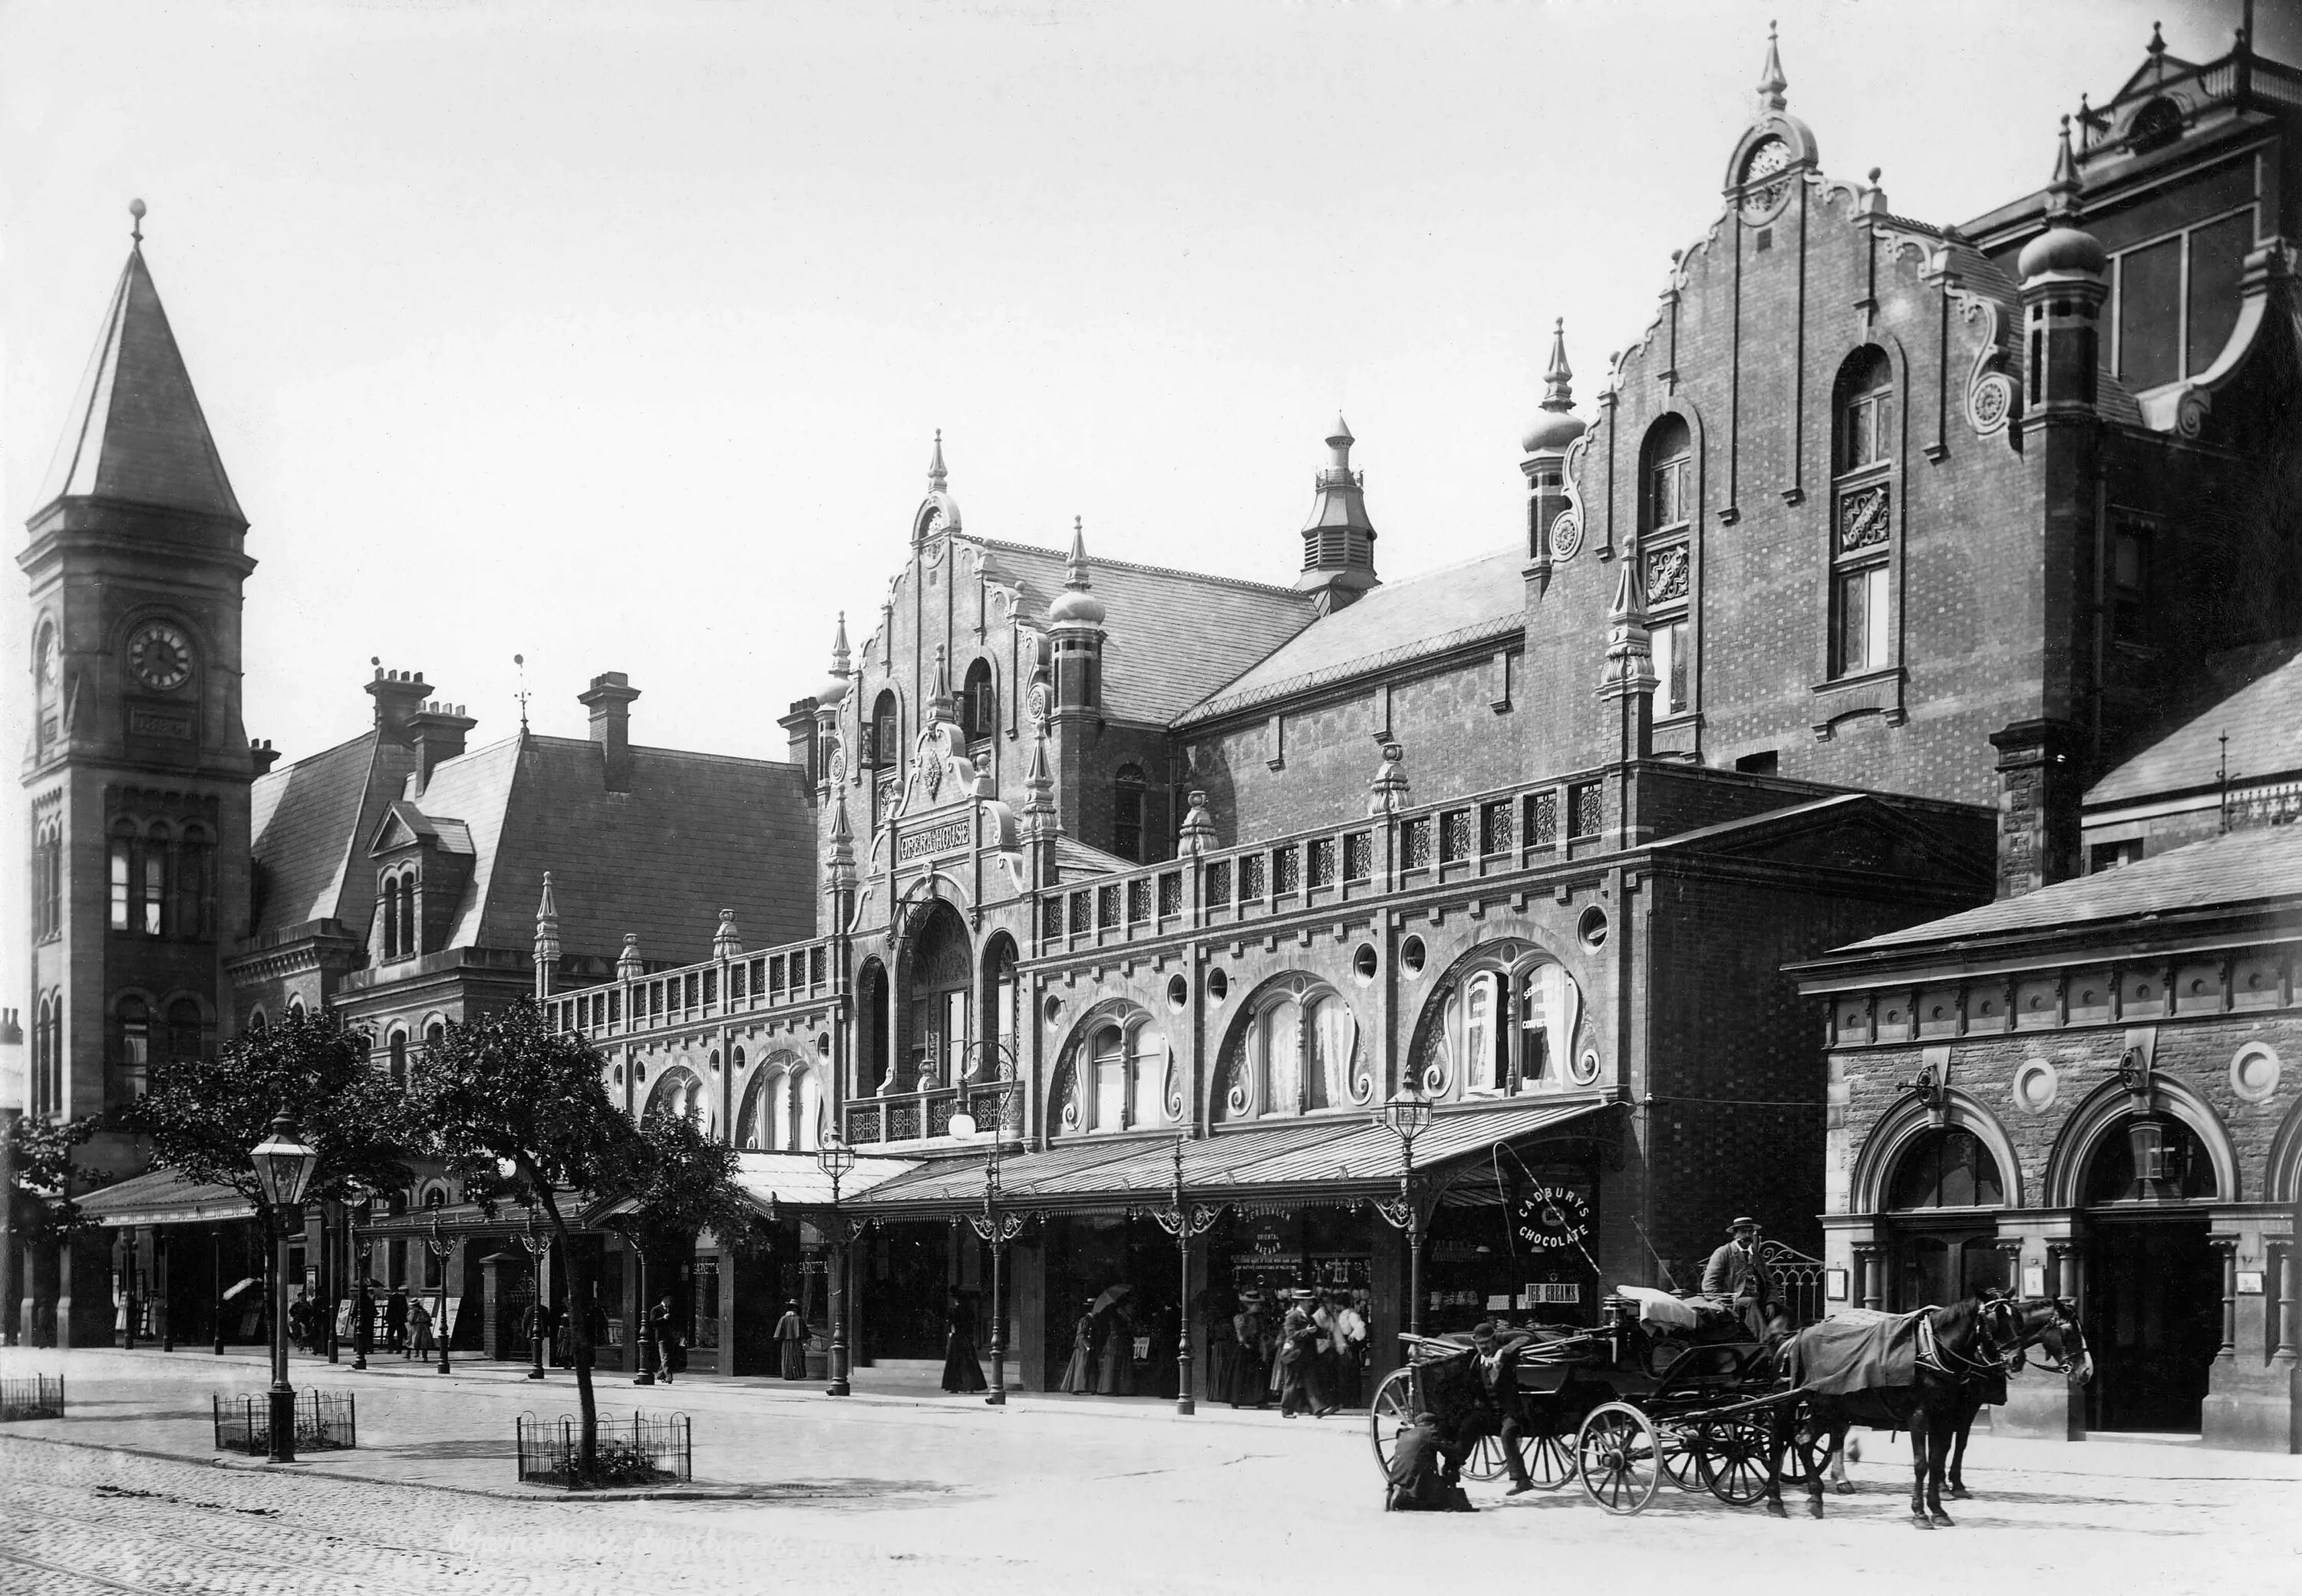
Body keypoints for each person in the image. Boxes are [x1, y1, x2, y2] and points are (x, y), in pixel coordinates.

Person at [1470, 1318, 1539, 1495]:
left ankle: (1522, 1480)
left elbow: (1526, 1338)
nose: (1483, 1347)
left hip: (1512, 1412)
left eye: (1486, 1343)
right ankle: (1452, 1468)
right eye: (1480, 1344)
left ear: (1494, 1340)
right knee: (1468, 1426)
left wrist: (1505, 1351)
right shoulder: (1477, 1362)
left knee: (1507, 1434)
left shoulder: (1506, 1356)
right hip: (1492, 1413)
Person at [1701, 1216, 1777, 1340]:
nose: (1747, 1235)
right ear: (1735, 1234)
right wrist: (1722, 1302)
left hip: (1758, 1301)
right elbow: (1709, 1284)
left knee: (1785, 1311)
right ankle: (1766, 1344)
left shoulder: (1756, 1256)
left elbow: (1770, 1283)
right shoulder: (1723, 1253)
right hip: (1734, 1301)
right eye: (1743, 1232)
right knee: (1750, 1303)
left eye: (1750, 1232)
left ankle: (1786, 1346)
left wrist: (1771, 1302)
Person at [1385, 1411, 1474, 1512]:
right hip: (1417, 1485)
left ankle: (1398, 1492)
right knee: (1448, 1502)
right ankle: (1405, 1496)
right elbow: (1453, 1452)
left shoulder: (1404, 1434)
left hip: (1397, 1480)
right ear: (1433, 1424)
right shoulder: (1431, 1433)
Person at [1277, 1301, 1325, 1417]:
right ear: (1302, 1302)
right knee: (1291, 1383)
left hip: (1307, 1355)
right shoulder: (1292, 1316)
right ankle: (1286, 1411)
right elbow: (1291, 1335)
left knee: (1311, 1382)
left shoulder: (1309, 1317)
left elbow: (1317, 1332)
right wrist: (1306, 1332)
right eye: (1308, 1302)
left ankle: (1318, 1409)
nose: (1310, 1304)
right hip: (1294, 1355)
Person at [1228, 1295, 1270, 1409]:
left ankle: (1258, 1400)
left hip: (1255, 1348)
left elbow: (1260, 1335)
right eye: (1256, 1304)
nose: (1259, 1307)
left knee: (1257, 1374)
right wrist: (1245, 1344)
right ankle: (1236, 1400)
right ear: (1249, 1305)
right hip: (1244, 1349)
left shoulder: (1257, 1318)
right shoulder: (1242, 1318)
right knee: (1241, 1374)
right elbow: (1239, 1334)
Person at [942, 1291, 987, 1393]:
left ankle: (955, 1387)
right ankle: (971, 1386)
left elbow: (950, 1327)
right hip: (967, 1339)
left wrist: (951, 1332)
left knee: (955, 1363)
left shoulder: (953, 1312)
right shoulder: (970, 1313)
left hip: (956, 1339)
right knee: (969, 1362)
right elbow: (972, 1327)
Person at [1060, 1302, 1097, 1393]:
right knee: (1080, 1367)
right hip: (1082, 1347)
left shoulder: (1091, 1320)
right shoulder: (1085, 1320)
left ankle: (1087, 1388)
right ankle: (1076, 1388)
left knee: (1086, 1367)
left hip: (1087, 1346)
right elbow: (1080, 1334)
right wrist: (1087, 1345)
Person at [649, 1296, 685, 1383]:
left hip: (670, 1336)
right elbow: (652, 1322)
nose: (670, 1301)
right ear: (664, 1299)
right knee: (665, 1357)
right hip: (661, 1337)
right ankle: (669, 1377)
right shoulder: (656, 1309)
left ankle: (660, 1375)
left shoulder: (671, 1309)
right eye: (669, 1299)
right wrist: (663, 1318)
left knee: (668, 1356)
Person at [774, 1301, 807, 1380]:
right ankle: (796, 1375)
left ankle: (787, 1375)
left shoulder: (783, 1319)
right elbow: (804, 1333)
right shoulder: (799, 1319)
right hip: (796, 1342)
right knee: (796, 1358)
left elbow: (778, 1334)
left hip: (786, 1343)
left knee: (787, 1358)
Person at [406, 1295, 434, 1359]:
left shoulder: (413, 1312)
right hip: (423, 1328)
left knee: (413, 1341)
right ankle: (424, 1357)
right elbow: (429, 1319)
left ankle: (410, 1355)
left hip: (416, 1328)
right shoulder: (423, 1311)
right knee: (423, 1343)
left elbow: (411, 1320)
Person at [383, 1288, 408, 1355]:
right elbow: (405, 1308)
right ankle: (399, 1349)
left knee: (390, 1334)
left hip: (393, 1320)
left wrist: (387, 1318)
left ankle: (391, 1348)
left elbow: (389, 1309)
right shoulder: (402, 1297)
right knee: (400, 1335)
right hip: (400, 1320)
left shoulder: (391, 1298)